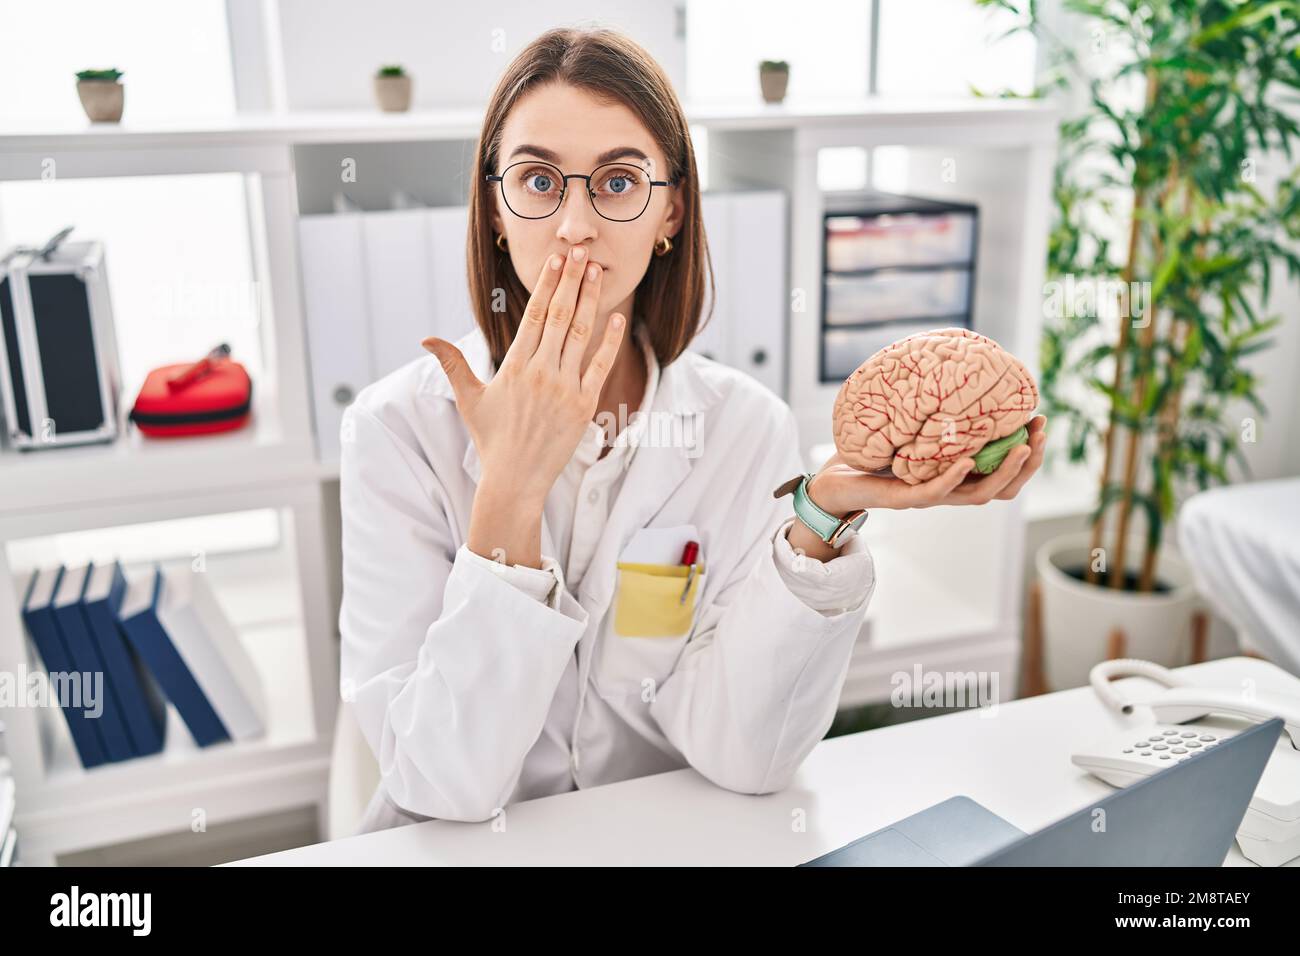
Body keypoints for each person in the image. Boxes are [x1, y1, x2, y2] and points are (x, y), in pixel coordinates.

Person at [338, 26, 1046, 832]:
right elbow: (441, 788)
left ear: (671, 212)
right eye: (537, 180)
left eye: (617, 182)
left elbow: (745, 757)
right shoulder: (395, 432)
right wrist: (508, 492)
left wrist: (820, 518)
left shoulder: (743, 428)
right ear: (497, 210)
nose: (575, 224)